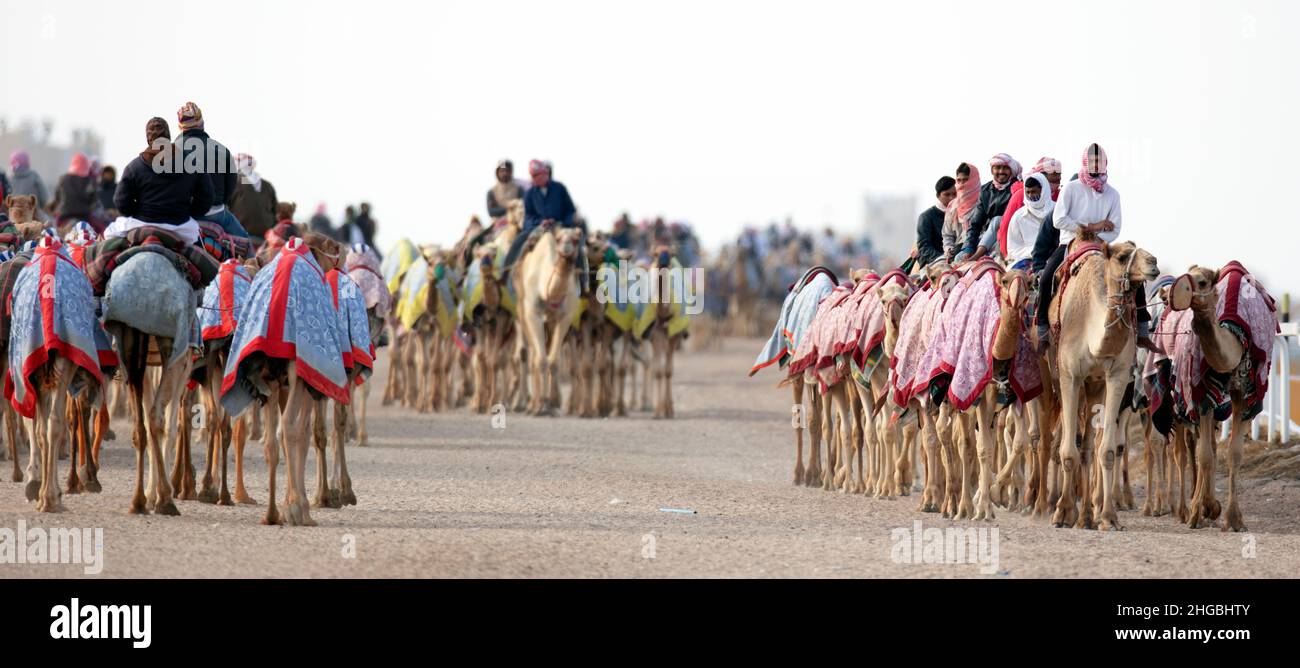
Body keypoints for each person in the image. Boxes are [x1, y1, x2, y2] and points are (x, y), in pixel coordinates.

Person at [1035, 143, 1155, 350]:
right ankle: (1043, 330)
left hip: (1101, 247)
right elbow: (1059, 220)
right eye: (1092, 160)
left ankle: (1142, 330)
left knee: (1134, 275)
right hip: (1070, 243)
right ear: (1085, 161)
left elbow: (1115, 229)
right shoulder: (1071, 189)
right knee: (1046, 278)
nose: (1095, 164)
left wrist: (1095, 234)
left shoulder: (1112, 195)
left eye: (1099, 161)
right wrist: (1094, 227)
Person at [111, 116, 213, 244]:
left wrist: (140, 213)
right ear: (169, 136)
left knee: (108, 234)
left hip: (141, 224)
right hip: (181, 227)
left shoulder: (134, 167)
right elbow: (207, 198)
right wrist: (186, 212)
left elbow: (120, 201)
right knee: (208, 252)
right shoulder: (193, 164)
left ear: (148, 139)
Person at [501, 160, 585, 290]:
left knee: (577, 244)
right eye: (534, 176)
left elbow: (571, 210)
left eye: (540, 175)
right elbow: (528, 217)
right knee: (518, 241)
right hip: (539, 227)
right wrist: (540, 222)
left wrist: (562, 222)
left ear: (546, 174)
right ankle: (504, 275)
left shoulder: (560, 188)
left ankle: (583, 281)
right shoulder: (529, 194)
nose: (537, 178)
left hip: (559, 227)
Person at [177, 102, 249, 238]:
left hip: (181, 216)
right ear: (201, 123)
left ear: (180, 127)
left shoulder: (169, 152)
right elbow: (230, 189)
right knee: (246, 243)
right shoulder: (222, 150)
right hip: (216, 214)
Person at [959, 153, 1021, 261]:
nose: (1001, 171)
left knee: (998, 220)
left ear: (1011, 170)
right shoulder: (985, 191)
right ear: (992, 170)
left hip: (1010, 236)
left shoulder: (1018, 188)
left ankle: (977, 256)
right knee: (958, 258)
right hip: (988, 237)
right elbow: (975, 223)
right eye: (997, 168)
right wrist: (968, 247)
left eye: (1005, 168)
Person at [997, 156, 1061, 257]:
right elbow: (1006, 229)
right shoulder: (1019, 200)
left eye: (1058, 174)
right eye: (1053, 174)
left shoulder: (1059, 203)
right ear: (1042, 176)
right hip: (1026, 256)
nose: (1058, 178)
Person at [1004, 172, 1054, 270]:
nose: (1031, 195)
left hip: (1053, 256)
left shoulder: (1057, 210)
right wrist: (1033, 251)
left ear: (1043, 190)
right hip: (1027, 259)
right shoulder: (1019, 216)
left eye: (1034, 191)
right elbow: (1013, 249)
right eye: (1028, 192)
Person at [227, 152, 279, 241]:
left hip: (241, 236)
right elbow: (275, 212)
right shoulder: (267, 185)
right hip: (266, 236)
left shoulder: (234, 183)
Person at [48, 152, 99, 230]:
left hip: (64, 218)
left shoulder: (63, 179)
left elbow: (57, 198)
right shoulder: (90, 181)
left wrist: (50, 210)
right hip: (84, 218)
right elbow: (94, 202)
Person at [943, 162, 981, 261]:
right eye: (959, 180)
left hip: (979, 246)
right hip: (958, 249)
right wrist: (948, 249)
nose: (961, 185)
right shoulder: (953, 206)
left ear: (974, 180)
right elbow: (947, 235)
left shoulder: (983, 201)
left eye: (965, 180)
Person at [916, 175, 956, 267]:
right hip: (933, 265)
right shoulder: (926, 217)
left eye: (954, 194)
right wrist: (943, 259)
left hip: (957, 262)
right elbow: (924, 247)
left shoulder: (961, 214)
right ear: (938, 195)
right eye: (947, 194)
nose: (951, 198)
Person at [8, 150, 50, 220]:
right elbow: (44, 198)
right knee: (50, 226)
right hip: (34, 215)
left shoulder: (8, 179)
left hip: (14, 217)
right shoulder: (34, 176)